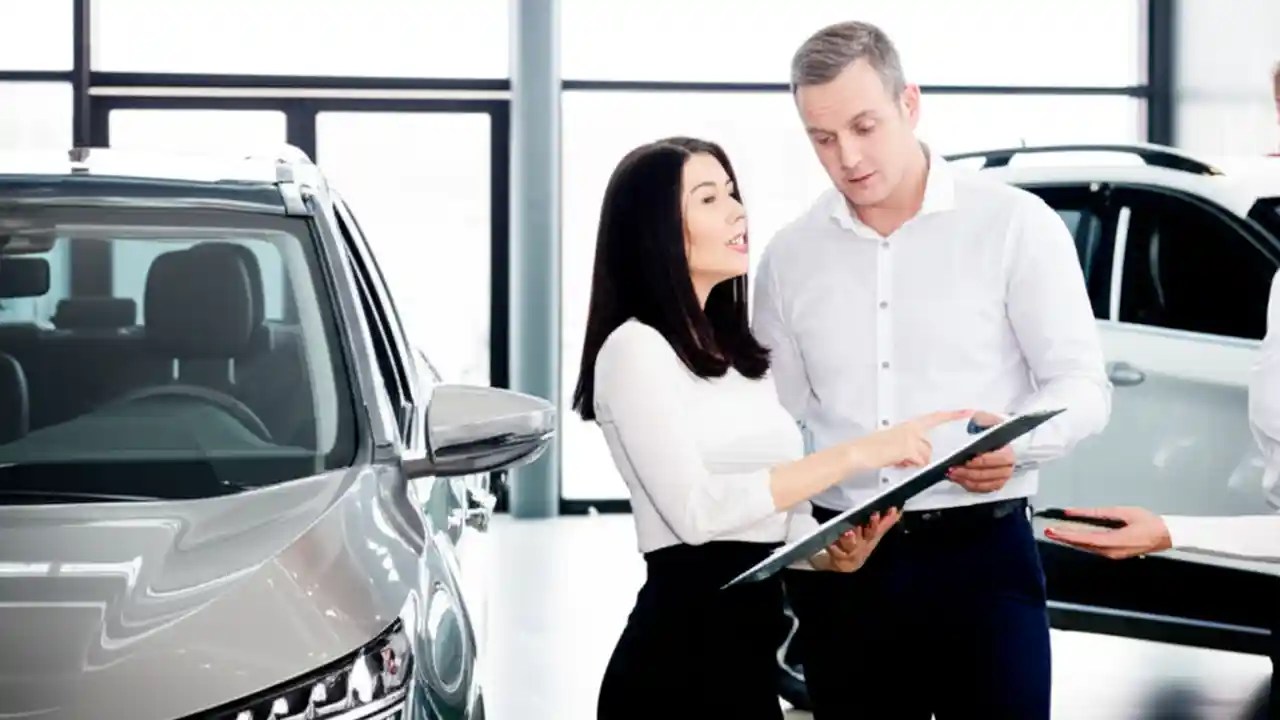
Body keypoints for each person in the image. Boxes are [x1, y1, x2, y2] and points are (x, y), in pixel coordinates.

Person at [751, 21, 1113, 720]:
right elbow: (773, 419)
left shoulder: (1014, 224)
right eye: (822, 138)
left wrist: (1019, 442)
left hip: (983, 556)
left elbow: (1082, 386)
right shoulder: (789, 256)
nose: (847, 157)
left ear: (909, 103)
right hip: (845, 563)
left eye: (864, 126)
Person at [572, 136, 972, 719]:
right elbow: (699, 514)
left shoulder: (741, 358)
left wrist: (824, 553)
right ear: (655, 229)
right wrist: (856, 454)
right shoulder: (634, 349)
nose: (737, 211)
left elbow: (769, 523)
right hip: (673, 668)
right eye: (709, 199)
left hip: (746, 664)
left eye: (732, 194)